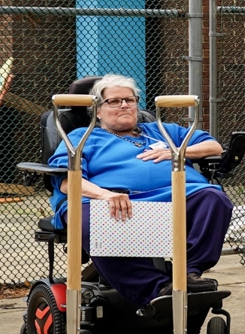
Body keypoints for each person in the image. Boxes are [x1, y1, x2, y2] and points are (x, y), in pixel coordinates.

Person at [47, 75, 234, 311]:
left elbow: (214, 146)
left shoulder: (160, 131)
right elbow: (67, 181)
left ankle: (189, 273)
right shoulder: (82, 136)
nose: (124, 105)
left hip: (176, 196)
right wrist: (105, 195)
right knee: (93, 219)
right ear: (98, 111)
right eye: (114, 101)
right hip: (113, 201)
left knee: (214, 198)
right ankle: (156, 291)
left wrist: (176, 150)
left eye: (130, 99)